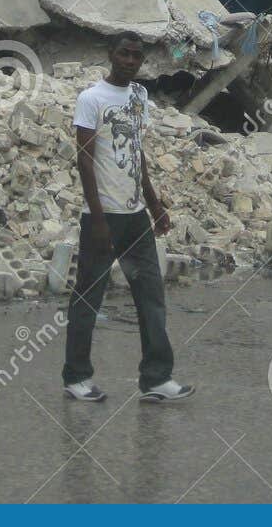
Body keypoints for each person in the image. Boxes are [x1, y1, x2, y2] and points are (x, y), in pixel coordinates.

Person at [62, 33, 193, 404]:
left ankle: (156, 378)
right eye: (124, 54)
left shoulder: (140, 97)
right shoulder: (91, 100)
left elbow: (137, 153)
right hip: (103, 218)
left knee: (151, 295)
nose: (130, 61)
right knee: (89, 297)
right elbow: (84, 159)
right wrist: (99, 218)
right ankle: (76, 377)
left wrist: (155, 205)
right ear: (111, 55)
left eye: (137, 56)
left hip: (136, 217)